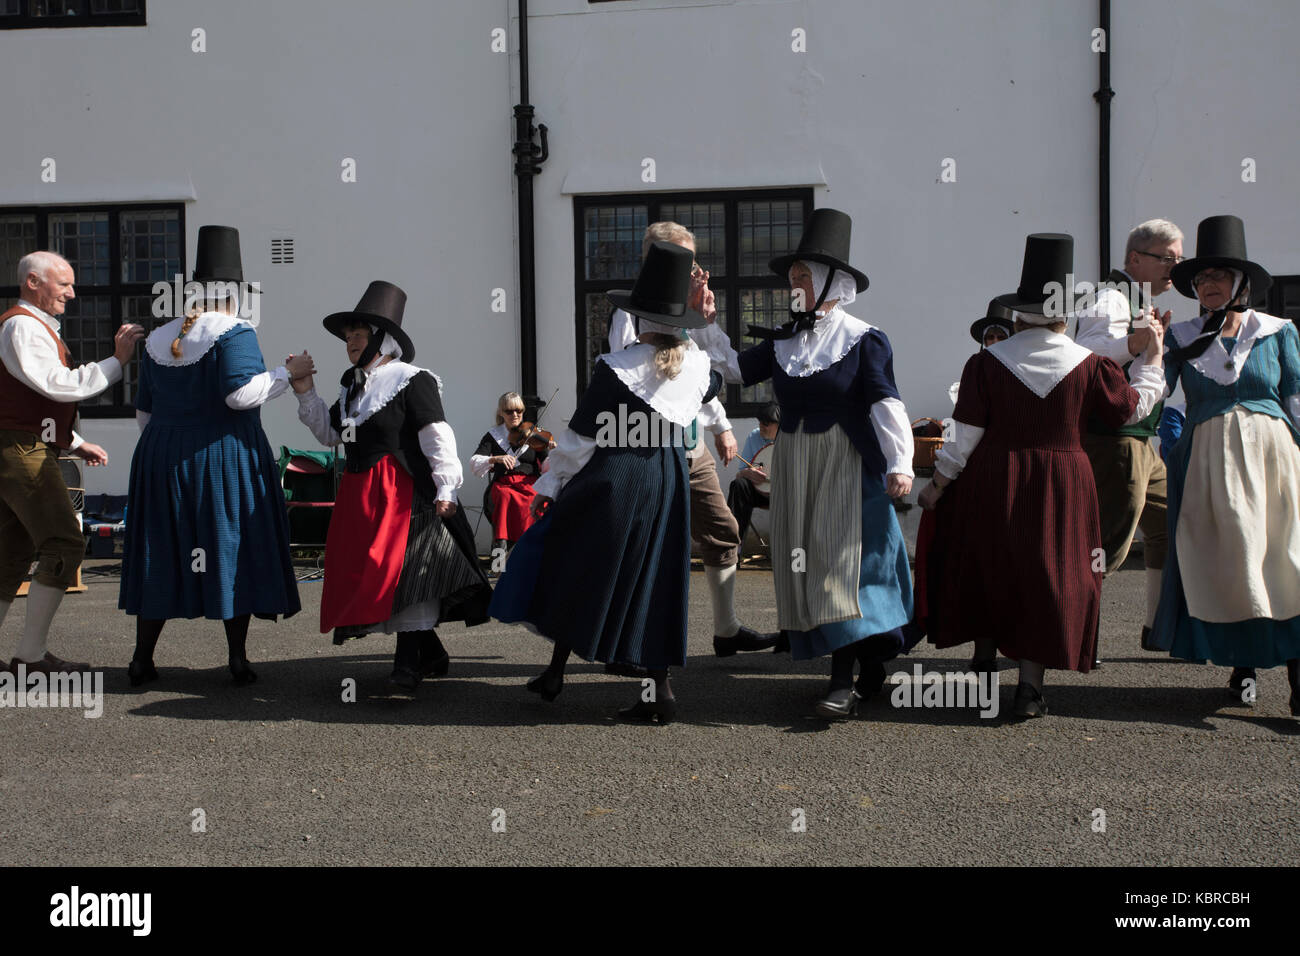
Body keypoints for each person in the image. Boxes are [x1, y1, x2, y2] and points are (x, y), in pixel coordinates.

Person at [919, 234, 1166, 718]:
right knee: (1047, 573)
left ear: (1017, 316)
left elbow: (964, 437)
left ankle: (984, 661)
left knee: (992, 562)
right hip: (1064, 478)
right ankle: (1029, 687)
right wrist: (1151, 359)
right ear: (1064, 315)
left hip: (996, 474)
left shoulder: (985, 363)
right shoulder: (1091, 365)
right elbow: (1129, 409)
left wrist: (938, 485)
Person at [490, 241, 725, 723]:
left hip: (615, 479)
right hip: (668, 481)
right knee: (658, 577)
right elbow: (713, 384)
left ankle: (559, 671)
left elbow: (577, 441)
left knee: (570, 561)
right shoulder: (698, 366)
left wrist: (548, 491)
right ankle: (657, 693)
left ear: (639, 317)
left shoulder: (616, 369)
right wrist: (701, 319)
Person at [704, 207, 916, 719]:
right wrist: (707, 323)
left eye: (803, 275)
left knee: (837, 566)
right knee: (804, 562)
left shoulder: (864, 338)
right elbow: (733, 369)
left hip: (845, 461)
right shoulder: (785, 338)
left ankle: (841, 682)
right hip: (796, 461)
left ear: (831, 282)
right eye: (793, 276)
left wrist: (900, 461)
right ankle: (868, 664)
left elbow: (886, 402)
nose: (794, 283)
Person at [119, 226, 301, 686]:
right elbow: (240, 396)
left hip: (160, 458)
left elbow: (143, 413)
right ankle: (236, 659)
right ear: (234, 294)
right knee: (228, 547)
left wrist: (169, 443)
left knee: (161, 550)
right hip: (222, 455)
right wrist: (287, 373)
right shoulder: (236, 331)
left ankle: (142, 658)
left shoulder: (159, 338)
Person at [293, 280, 492, 691]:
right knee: (372, 575)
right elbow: (332, 435)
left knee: (403, 573)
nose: (350, 341)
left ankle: (407, 668)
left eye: (359, 334)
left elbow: (436, 434)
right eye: (348, 336)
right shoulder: (351, 386)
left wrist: (445, 488)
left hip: (402, 493)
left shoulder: (411, 379)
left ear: (381, 340)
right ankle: (432, 652)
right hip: (359, 494)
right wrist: (305, 392)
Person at [608, 222, 778, 659]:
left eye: (691, 258)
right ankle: (630, 643)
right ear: (652, 259)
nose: (691, 269)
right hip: (645, 449)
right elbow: (643, 382)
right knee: (641, 546)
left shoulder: (690, 311)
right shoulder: (628, 315)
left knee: (722, 533)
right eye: (677, 258)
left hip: (690, 445)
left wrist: (720, 424)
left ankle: (726, 630)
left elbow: (717, 373)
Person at [1152, 215, 1300, 716]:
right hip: (1208, 461)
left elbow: (1295, 398)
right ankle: (1244, 666)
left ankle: (1298, 673)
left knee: (1284, 556)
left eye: (1218, 276)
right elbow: (1154, 395)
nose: (1207, 285)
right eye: (1200, 279)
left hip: (1275, 459)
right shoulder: (1180, 337)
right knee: (1233, 558)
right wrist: (1147, 349)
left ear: (1240, 284)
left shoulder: (1278, 332)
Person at [0, 251, 143, 675]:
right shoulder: (23, 325)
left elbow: (33, 399)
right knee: (64, 542)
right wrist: (116, 362)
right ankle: (29, 656)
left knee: (12, 552)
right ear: (33, 282)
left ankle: (29, 655)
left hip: (21, 447)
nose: (72, 293)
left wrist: (73, 440)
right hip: (22, 452)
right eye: (63, 284)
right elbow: (55, 385)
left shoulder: (30, 326)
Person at [1075, 219, 1181, 661]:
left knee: (1168, 523)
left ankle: (1155, 625)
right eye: (1167, 258)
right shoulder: (1110, 298)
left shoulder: (1137, 299)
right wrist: (1136, 345)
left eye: (1178, 258)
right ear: (1135, 258)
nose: (1174, 266)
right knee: (1107, 545)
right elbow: (1089, 355)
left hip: (1142, 439)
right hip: (1115, 439)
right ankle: (1080, 633)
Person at [469, 391, 552, 560]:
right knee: (505, 497)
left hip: (529, 484)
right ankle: (499, 560)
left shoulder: (535, 432)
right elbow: (475, 460)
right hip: (503, 484)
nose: (515, 415)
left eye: (519, 411)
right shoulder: (493, 435)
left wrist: (554, 451)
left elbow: (546, 464)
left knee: (534, 497)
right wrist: (496, 458)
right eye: (509, 411)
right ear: (501, 412)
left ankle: (531, 556)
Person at [726, 402, 780, 550]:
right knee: (738, 485)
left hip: (784, 494)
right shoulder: (754, 435)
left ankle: (790, 549)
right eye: (760, 422)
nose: (762, 426)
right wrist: (748, 473)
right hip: (759, 492)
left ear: (779, 424)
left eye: (767, 423)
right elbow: (740, 473)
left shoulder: (790, 437)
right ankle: (734, 547)